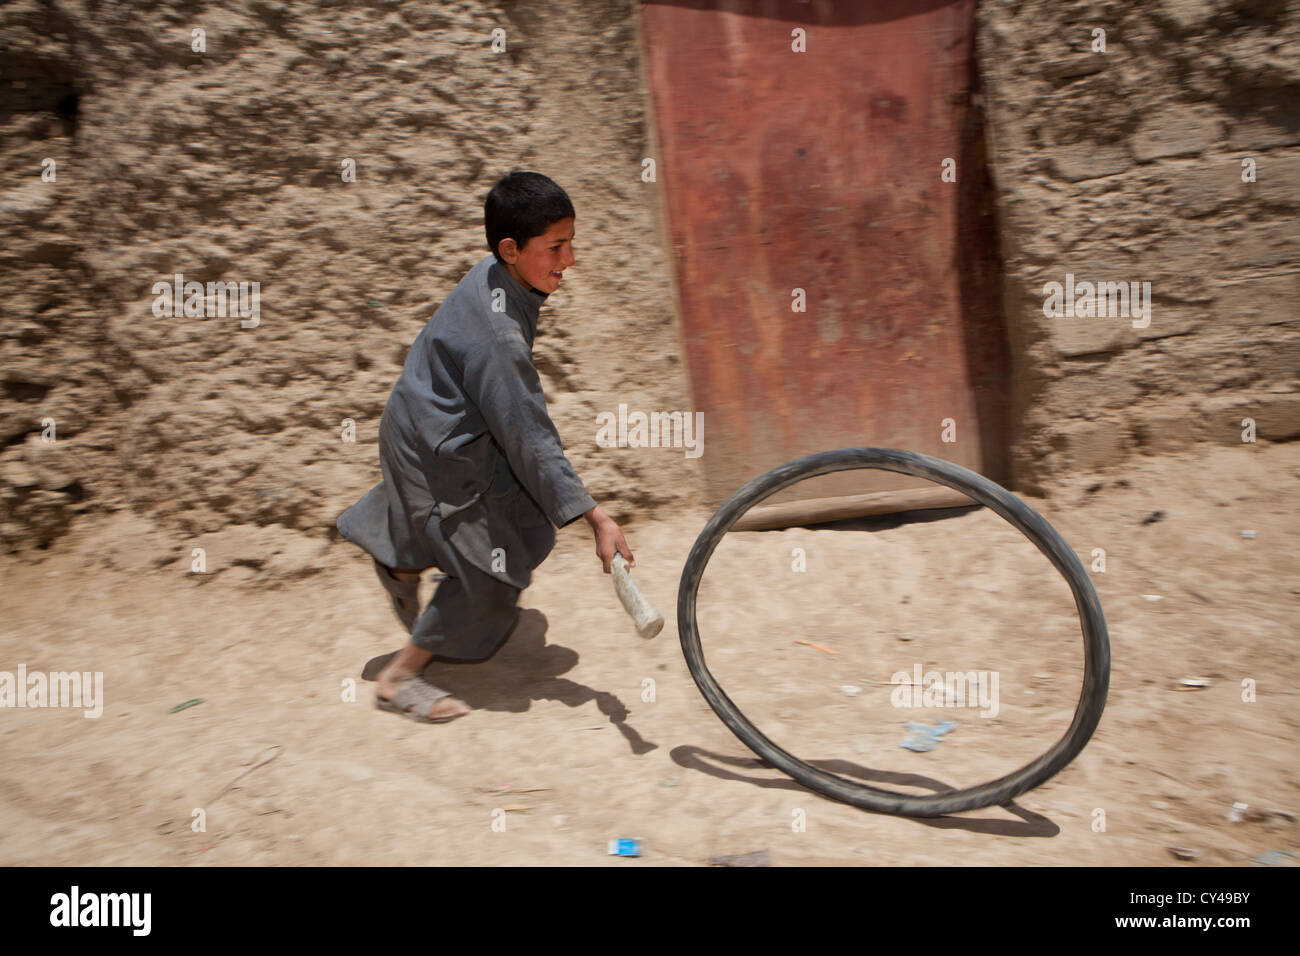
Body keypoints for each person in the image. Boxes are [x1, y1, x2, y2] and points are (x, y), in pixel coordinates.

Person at [336, 170, 634, 722]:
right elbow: (528, 434)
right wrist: (594, 516)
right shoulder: (499, 335)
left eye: (571, 243)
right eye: (555, 247)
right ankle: (399, 678)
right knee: (493, 570)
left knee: (518, 519)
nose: (568, 260)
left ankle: (400, 564)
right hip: (436, 446)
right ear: (510, 248)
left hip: (428, 423)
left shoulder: (497, 276)